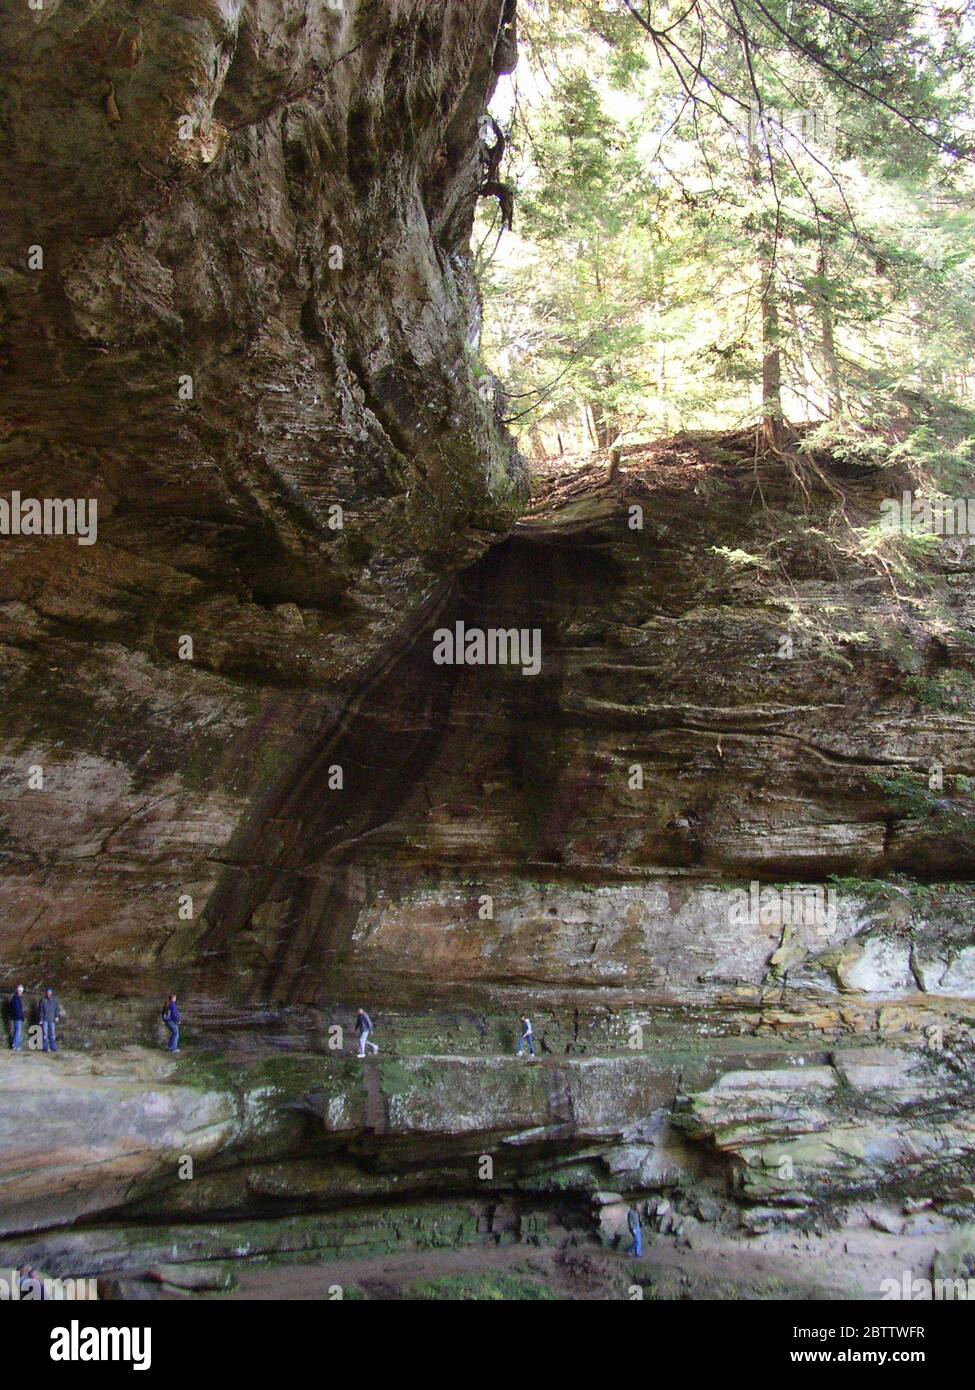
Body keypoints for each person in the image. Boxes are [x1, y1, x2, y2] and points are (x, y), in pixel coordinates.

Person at [38, 988, 61, 1053]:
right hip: (45, 1019)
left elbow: (57, 1009)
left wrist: (56, 1016)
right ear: (46, 993)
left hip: (52, 1019)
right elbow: (41, 1010)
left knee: (52, 1033)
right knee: (45, 1034)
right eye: (47, 992)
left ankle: (53, 1047)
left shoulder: (54, 1000)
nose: (48, 994)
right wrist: (41, 1019)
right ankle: (46, 1047)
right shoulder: (43, 1000)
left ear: (51, 993)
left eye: (50, 992)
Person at [9, 985, 24, 1051]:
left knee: (17, 1031)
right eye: (20, 991)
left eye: (21, 991)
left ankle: (16, 1045)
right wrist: (21, 1016)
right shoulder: (16, 999)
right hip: (17, 1018)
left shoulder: (16, 998)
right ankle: (15, 1045)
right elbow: (17, 1010)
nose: (20, 992)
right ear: (18, 991)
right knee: (17, 1032)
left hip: (16, 1017)